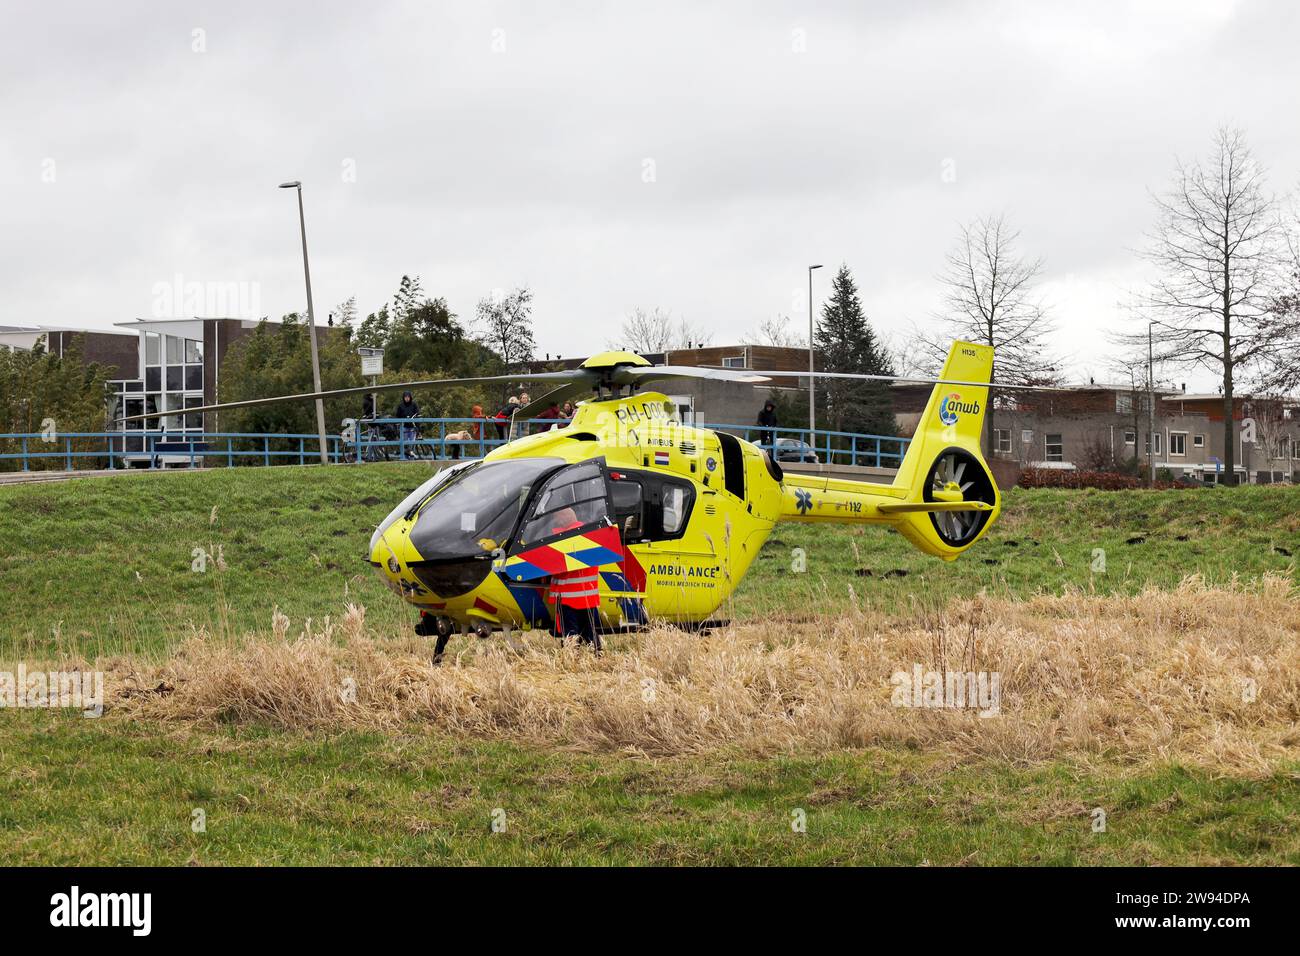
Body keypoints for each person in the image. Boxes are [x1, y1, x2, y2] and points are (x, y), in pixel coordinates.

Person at [545, 506, 600, 649]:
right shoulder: (588, 535)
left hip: (569, 598)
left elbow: (554, 564)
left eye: (556, 518)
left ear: (564, 518)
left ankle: (571, 660)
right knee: (590, 634)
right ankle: (596, 658)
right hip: (588, 597)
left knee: (570, 634)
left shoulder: (564, 539)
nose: (555, 521)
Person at [393, 390, 421, 458]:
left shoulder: (414, 404)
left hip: (412, 426)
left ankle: (412, 457)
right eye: (405, 397)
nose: (407, 398)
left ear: (410, 397)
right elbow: (397, 415)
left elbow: (417, 413)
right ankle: (405, 457)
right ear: (403, 398)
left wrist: (417, 422)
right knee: (404, 443)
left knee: (412, 442)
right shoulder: (400, 405)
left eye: (408, 397)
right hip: (404, 426)